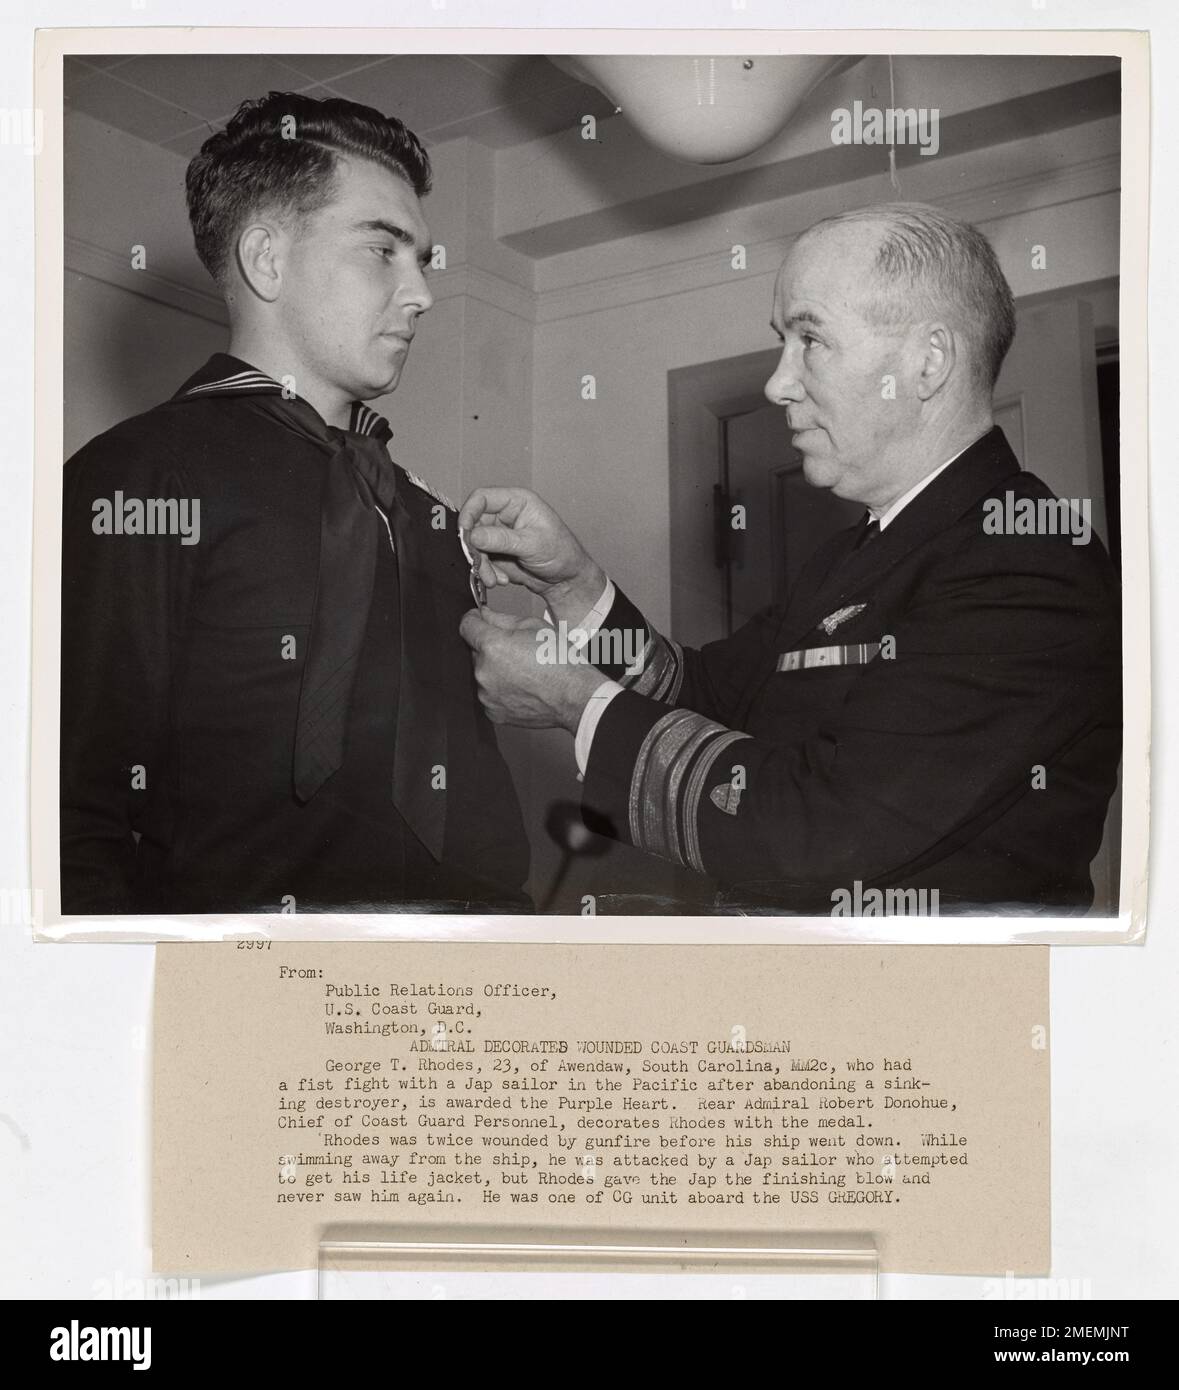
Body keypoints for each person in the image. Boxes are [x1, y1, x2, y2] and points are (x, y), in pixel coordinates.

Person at [458, 203, 1122, 916]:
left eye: (810, 338)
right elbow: (707, 696)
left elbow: (829, 833)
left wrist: (570, 699)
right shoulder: (858, 552)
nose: (778, 383)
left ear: (927, 362)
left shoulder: (1028, 562)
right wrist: (576, 585)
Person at [60, 91, 529, 915]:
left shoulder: (422, 511)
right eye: (383, 251)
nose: (421, 292)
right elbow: (72, 810)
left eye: (422, 259)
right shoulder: (137, 479)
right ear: (267, 260)